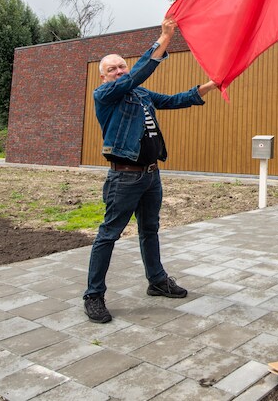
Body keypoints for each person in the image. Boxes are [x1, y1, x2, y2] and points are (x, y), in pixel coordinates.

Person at [83, 17, 218, 324]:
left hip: (151, 175)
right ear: (104, 78)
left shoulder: (141, 95)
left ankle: (156, 281)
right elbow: (139, 73)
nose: (119, 71)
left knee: (150, 230)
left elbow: (174, 100)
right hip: (124, 177)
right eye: (112, 69)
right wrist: (164, 38)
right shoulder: (104, 96)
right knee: (108, 234)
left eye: (121, 66)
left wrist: (211, 84)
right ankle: (93, 295)